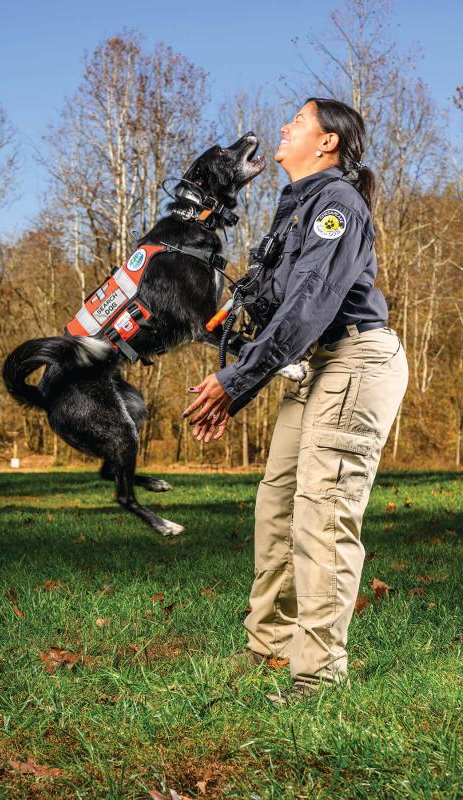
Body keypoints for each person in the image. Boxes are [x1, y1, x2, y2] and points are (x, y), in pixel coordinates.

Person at [182, 97, 409, 699]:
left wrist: (237, 384)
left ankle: (317, 676)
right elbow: (268, 301)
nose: (285, 127)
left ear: (327, 142)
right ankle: (270, 649)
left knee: (321, 511)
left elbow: (309, 305)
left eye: (299, 121)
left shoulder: (335, 205)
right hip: (314, 365)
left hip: (356, 361)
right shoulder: (296, 209)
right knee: (276, 504)